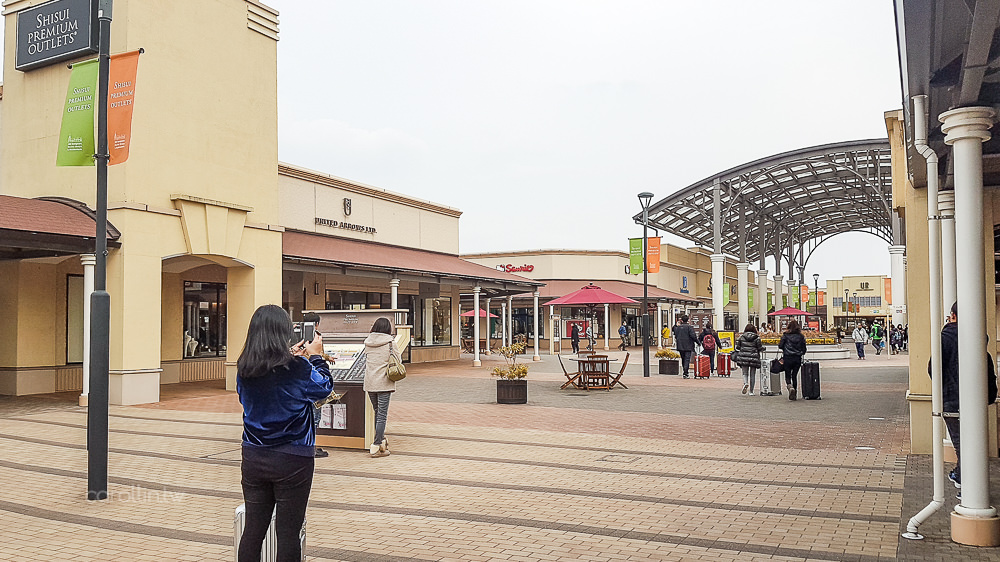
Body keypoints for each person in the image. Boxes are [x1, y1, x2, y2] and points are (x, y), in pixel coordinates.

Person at [236, 304, 333, 562]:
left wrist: (292, 357)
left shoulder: (244, 369)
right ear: (284, 333)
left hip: (254, 456)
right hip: (293, 458)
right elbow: (323, 388)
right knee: (288, 532)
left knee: (253, 530)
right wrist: (316, 358)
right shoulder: (297, 369)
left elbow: (252, 398)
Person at [364, 317, 402, 458]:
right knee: (382, 415)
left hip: (369, 383)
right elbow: (398, 361)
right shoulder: (391, 343)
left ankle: (381, 442)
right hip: (384, 383)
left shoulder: (367, 342)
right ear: (387, 329)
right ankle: (376, 444)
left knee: (377, 412)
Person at [302, 312, 331, 459]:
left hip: (303, 381)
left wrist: (327, 357)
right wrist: (322, 359)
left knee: (310, 416)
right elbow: (314, 355)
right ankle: (310, 447)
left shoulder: (300, 337)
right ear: (317, 323)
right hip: (313, 379)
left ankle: (309, 445)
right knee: (314, 417)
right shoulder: (315, 339)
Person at [778, 320, 807, 400]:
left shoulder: (785, 335)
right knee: (794, 375)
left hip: (787, 357)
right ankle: (795, 393)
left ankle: (790, 387)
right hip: (797, 358)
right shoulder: (801, 336)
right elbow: (804, 348)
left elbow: (780, 346)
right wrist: (801, 352)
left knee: (788, 375)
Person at [734, 323, 764, 395]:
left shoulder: (742, 337)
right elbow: (759, 348)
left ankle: (745, 383)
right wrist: (763, 349)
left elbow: (738, 347)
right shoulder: (757, 338)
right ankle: (751, 391)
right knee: (752, 374)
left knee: (745, 373)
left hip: (744, 356)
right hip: (754, 357)